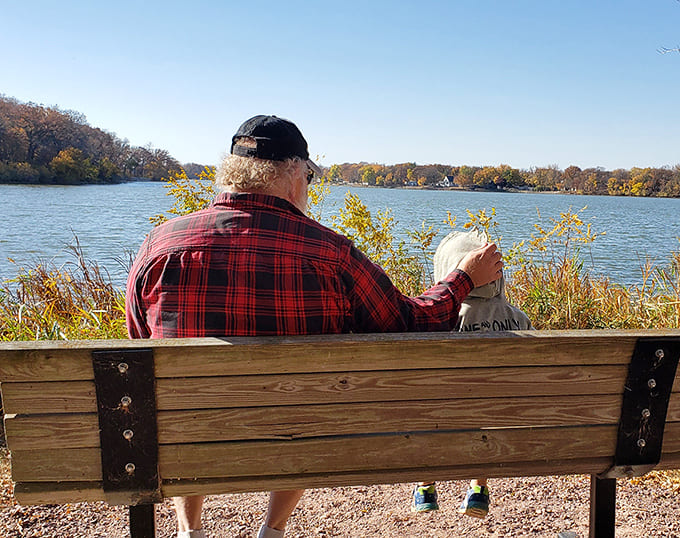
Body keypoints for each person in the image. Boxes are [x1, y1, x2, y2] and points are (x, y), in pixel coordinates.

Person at [126, 114, 503, 538]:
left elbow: (140, 347)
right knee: (299, 419)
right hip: (296, 440)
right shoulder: (331, 254)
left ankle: (188, 531)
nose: (307, 187)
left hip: (188, 438)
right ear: (291, 174)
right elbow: (411, 322)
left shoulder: (160, 246)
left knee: (180, 397)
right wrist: (463, 278)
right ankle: (272, 529)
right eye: (308, 176)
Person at [411, 229, 533, 518]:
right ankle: (478, 488)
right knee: (488, 414)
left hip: (443, 417)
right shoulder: (520, 320)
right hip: (500, 425)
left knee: (427, 408)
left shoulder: (437, 321)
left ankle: (426, 485)